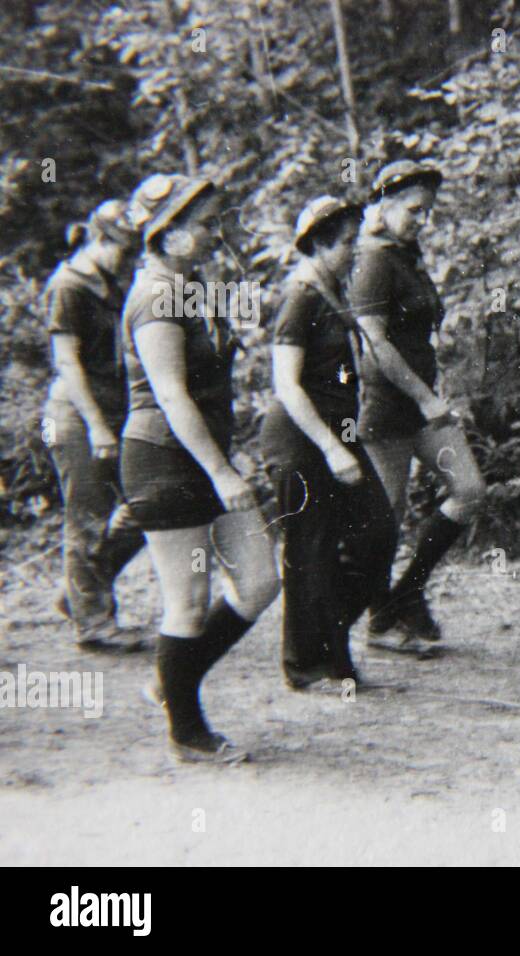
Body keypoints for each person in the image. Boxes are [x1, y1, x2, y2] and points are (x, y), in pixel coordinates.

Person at [120, 173, 280, 763]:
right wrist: (222, 470)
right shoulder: (155, 295)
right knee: (187, 600)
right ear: (165, 233)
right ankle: (187, 732)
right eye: (206, 224)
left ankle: (172, 678)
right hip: (164, 458)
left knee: (261, 579)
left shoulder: (190, 287)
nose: (217, 233)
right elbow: (171, 394)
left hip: (205, 454)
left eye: (217, 220)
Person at [259, 196, 397, 691]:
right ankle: (310, 665)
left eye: (354, 241)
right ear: (316, 244)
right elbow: (287, 384)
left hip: (337, 432)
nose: (352, 251)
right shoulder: (300, 296)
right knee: (309, 549)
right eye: (343, 243)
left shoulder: (332, 290)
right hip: (300, 438)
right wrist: (331, 448)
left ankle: (331, 642)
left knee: (378, 532)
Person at [350, 160, 486, 656]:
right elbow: (377, 346)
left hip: (421, 404)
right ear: (381, 206)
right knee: (385, 518)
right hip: (384, 407)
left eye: (428, 212)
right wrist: (427, 398)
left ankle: (407, 593)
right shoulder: (370, 261)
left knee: (469, 489)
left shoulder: (405, 255)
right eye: (413, 210)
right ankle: (378, 622)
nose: (422, 220)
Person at [42, 199, 147, 652]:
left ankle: (79, 591)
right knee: (86, 517)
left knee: (146, 505)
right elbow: (67, 362)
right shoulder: (68, 284)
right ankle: (95, 621)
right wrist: (98, 427)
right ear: (100, 240)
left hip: (116, 407)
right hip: (77, 414)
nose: (128, 259)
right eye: (123, 249)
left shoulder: (108, 283)